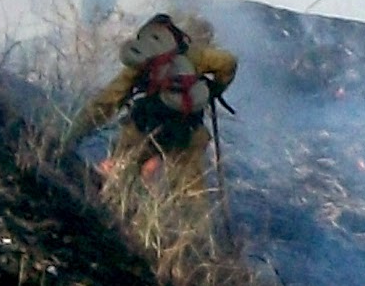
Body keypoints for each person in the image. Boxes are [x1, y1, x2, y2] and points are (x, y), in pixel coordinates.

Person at [66, 12, 238, 202]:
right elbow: (228, 62)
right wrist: (215, 88)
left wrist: (73, 135)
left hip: (143, 129)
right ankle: (191, 229)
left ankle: (112, 212)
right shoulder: (196, 55)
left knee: (120, 176)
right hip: (186, 133)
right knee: (191, 193)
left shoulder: (143, 60)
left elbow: (107, 102)